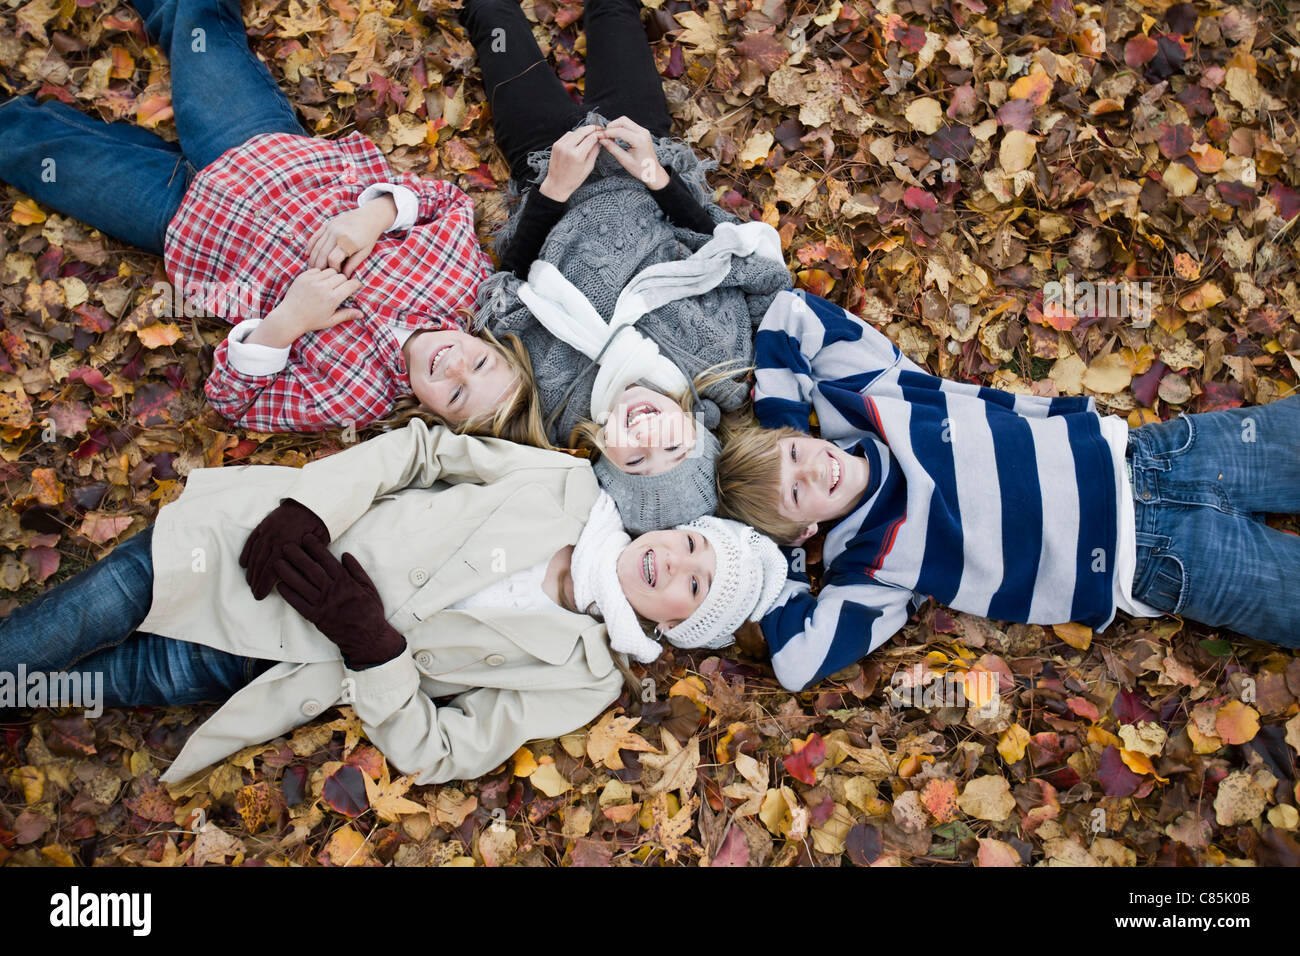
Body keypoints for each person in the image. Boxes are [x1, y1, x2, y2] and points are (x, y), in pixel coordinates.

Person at [0, 421, 785, 784]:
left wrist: (375, 651)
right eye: (691, 546)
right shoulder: (566, 485)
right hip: (256, 554)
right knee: (80, 616)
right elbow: (423, 452)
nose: (673, 563)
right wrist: (312, 508)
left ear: (677, 626)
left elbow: (439, 752)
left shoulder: (585, 677)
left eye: (694, 585)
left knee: (77, 683)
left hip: (260, 664)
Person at [0, 0, 541, 439]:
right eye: (481, 366)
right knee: (196, 20)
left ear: (431, 417)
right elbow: (447, 202)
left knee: (33, 152)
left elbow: (234, 403)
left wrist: (288, 321)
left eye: (455, 395)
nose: (454, 368)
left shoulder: (352, 396)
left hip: (188, 224)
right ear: (494, 348)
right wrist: (374, 215)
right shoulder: (461, 286)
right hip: (265, 150)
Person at [716, 289, 1300, 691]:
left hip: (1155, 457)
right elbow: (797, 663)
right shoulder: (869, 568)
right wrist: (784, 557)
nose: (814, 471)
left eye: (796, 455)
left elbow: (792, 315)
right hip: (1155, 558)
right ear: (805, 528)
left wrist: (781, 429)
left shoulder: (868, 402)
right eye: (797, 494)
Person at [424, 0, 792, 532]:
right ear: (698, 431)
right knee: (614, 11)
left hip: (544, 165)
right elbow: (725, 246)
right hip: (636, 149)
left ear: (605, 462)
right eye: (672, 447)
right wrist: (654, 171)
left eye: (637, 460)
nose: (646, 436)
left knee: (494, 22)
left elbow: (508, 289)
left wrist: (553, 189)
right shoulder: (722, 359)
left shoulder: (552, 404)